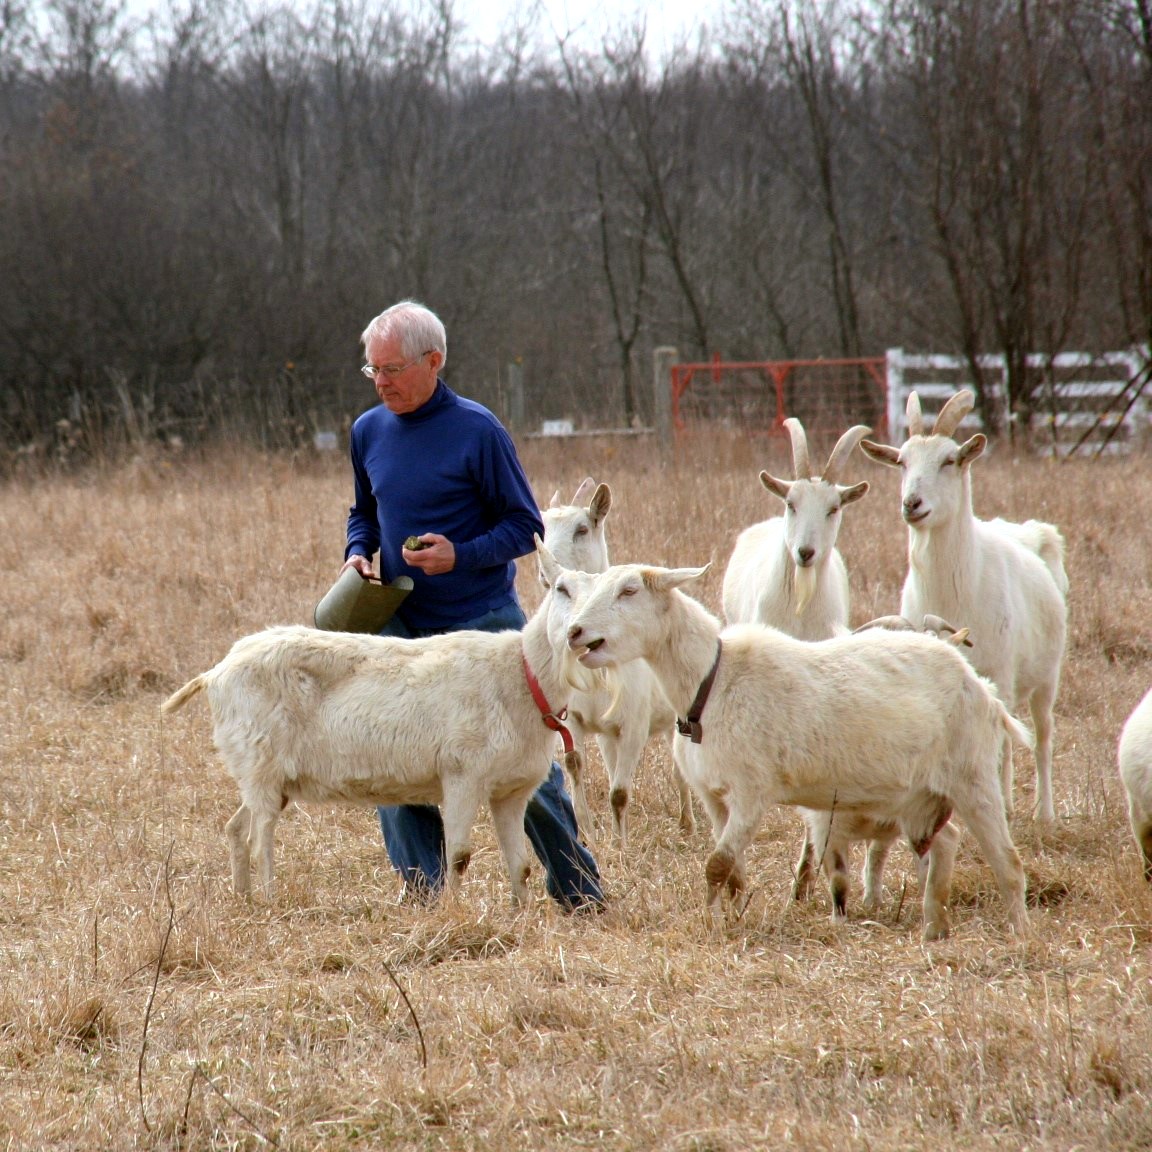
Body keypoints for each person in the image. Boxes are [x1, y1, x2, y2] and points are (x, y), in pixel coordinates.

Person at [340, 300, 604, 912]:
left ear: (434, 361)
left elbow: (524, 528)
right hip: (403, 624)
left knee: (527, 765)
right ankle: (427, 897)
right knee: (397, 760)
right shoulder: (367, 431)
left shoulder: (478, 430)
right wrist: (359, 552)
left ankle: (578, 890)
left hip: (485, 623)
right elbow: (365, 513)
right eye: (372, 371)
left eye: (393, 370)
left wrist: (459, 554)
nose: (381, 383)